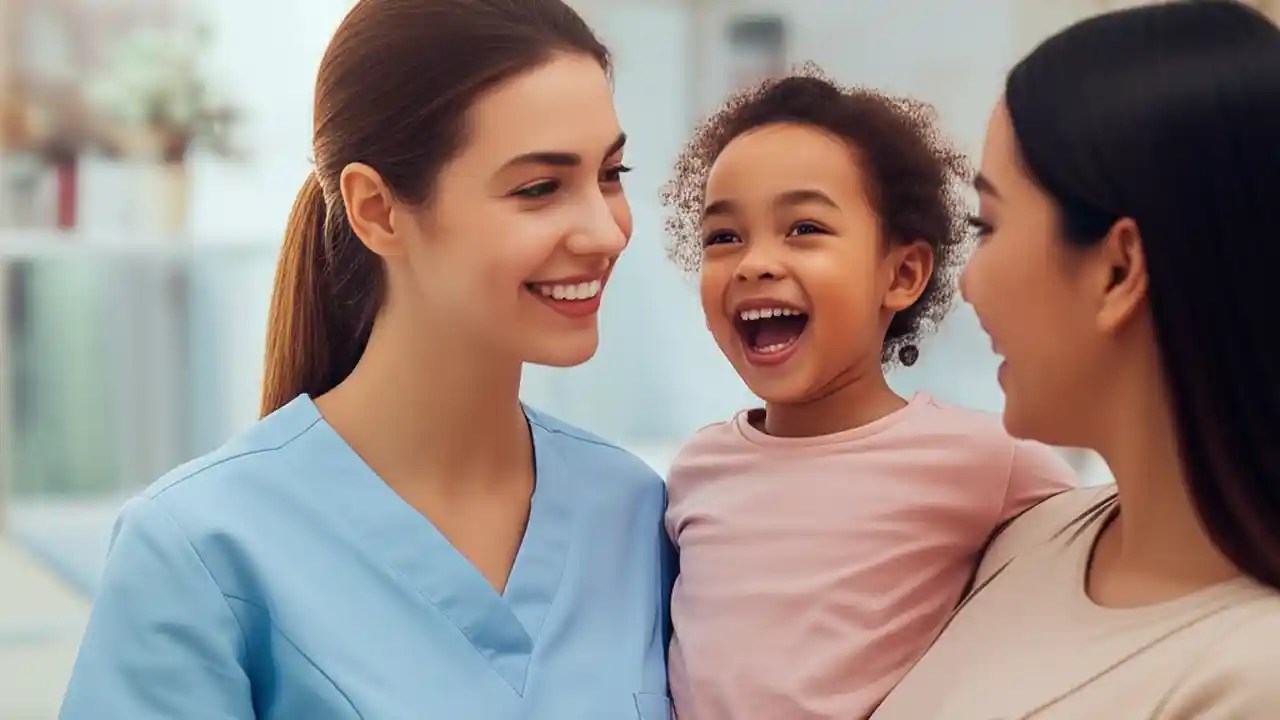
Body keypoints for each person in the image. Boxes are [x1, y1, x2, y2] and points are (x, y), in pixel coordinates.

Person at [60, 1, 674, 717]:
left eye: (611, 173)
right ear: (377, 209)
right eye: (539, 188)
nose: (606, 232)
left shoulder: (634, 514)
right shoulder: (196, 552)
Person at [870, 2, 1280, 718]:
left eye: (987, 225)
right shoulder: (1029, 540)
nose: (967, 280)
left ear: (1118, 271)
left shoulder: (1249, 678)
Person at [658, 67, 1075, 720]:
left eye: (804, 229)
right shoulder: (697, 470)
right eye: (724, 236)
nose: (754, 261)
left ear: (902, 273)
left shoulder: (988, 462)